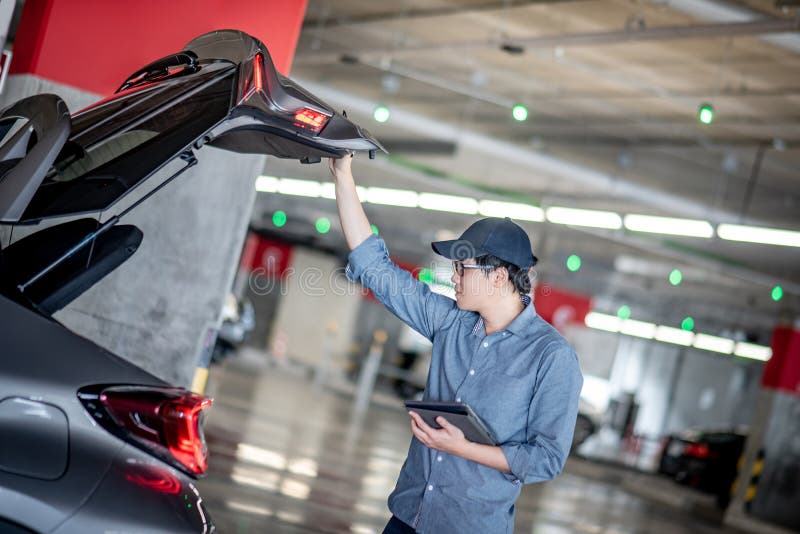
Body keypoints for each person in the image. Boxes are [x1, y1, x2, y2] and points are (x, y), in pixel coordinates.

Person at [329, 154, 583, 534]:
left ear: (498, 277)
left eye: (463, 269)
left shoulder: (551, 357)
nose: (454, 279)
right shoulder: (451, 323)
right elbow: (375, 268)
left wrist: (462, 448)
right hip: (407, 517)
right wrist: (342, 174)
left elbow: (546, 458)